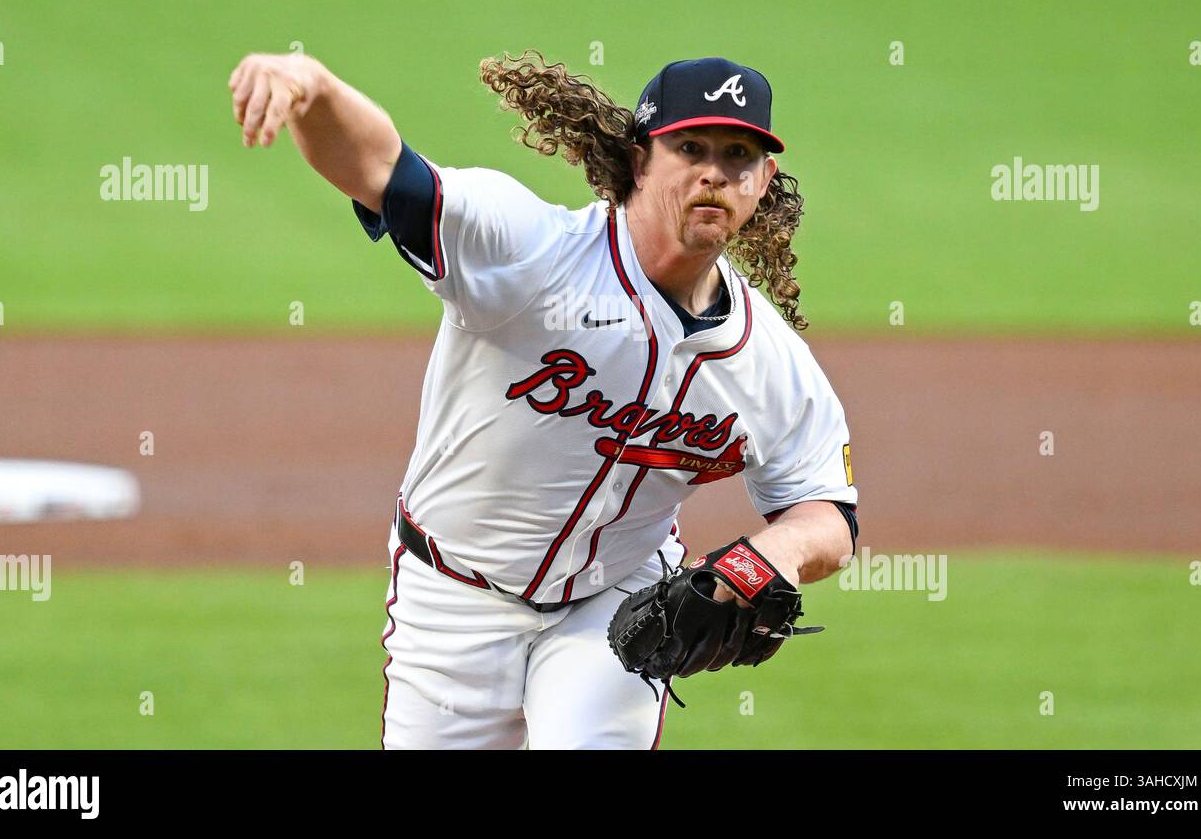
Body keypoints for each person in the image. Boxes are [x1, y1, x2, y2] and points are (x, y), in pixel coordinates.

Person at [227, 50, 859, 749]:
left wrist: (750, 565)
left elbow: (826, 512)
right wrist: (312, 87)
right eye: (690, 148)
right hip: (453, 595)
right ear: (641, 159)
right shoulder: (533, 252)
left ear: (763, 180)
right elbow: (384, 172)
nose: (714, 171)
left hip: (615, 606)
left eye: (739, 155)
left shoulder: (772, 364)